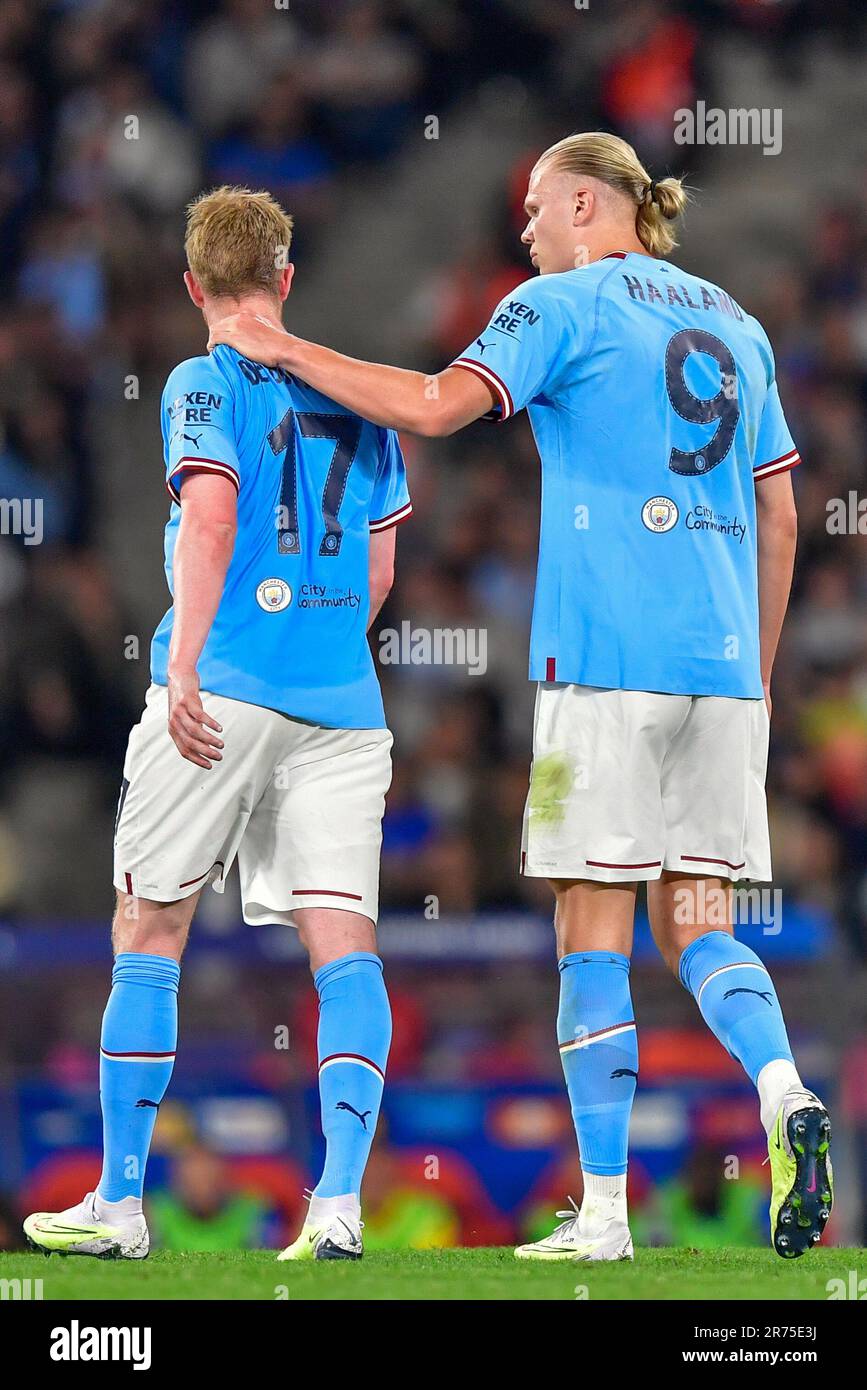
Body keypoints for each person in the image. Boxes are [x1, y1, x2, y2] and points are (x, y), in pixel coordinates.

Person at [207, 132, 833, 1263]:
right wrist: (757, 666)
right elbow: (781, 516)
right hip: (726, 674)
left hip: (602, 665)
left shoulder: (564, 304)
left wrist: (286, 350)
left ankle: (600, 1216)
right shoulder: (738, 323)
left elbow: (438, 405)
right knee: (697, 920)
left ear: (591, 206)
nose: (527, 233)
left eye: (538, 210)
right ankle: (784, 1087)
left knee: (588, 928)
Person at [23, 186, 412, 1263]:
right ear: (286, 279)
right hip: (343, 705)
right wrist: (322, 647)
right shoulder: (358, 390)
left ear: (194, 285)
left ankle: (119, 1202)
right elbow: (379, 563)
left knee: (150, 930)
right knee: (346, 951)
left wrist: (187, 659)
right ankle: (337, 1202)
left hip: (226, 687)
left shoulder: (202, 378)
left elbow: (210, 512)